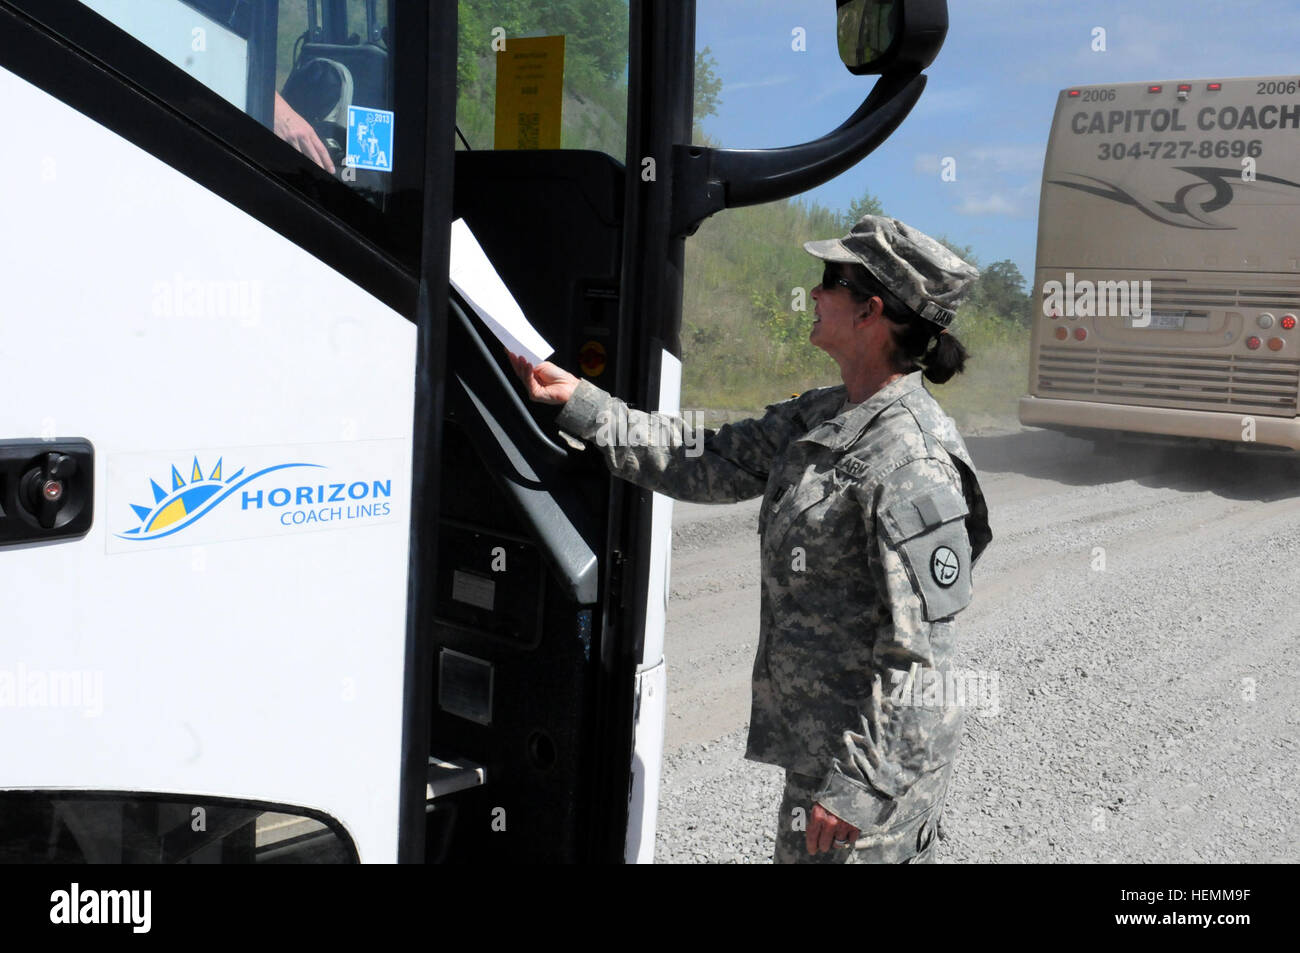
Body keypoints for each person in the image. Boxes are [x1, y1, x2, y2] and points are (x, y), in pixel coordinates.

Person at [509, 215, 993, 863]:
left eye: (831, 281)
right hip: (826, 754)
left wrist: (861, 785)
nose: (814, 294)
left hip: (869, 774)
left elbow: (924, 659)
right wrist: (584, 405)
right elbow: (707, 457)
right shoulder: (825, 413)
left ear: (871, 310)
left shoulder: (910, 458)